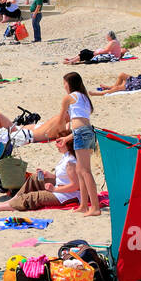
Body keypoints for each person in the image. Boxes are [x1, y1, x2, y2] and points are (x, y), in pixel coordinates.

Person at [0, 137, 80, 214]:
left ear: (67, 145)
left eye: (59, 142)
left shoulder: (71, 162)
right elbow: (65, 177)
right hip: (60, 187)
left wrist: (54, 190)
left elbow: (75, 186)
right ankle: (13, 201)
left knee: (32, 197)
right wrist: (49, 175)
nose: (56, 144)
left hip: (67, 195)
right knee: (34, 178)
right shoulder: (66, 156)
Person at [59, 72, 102, 216]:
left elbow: (61, 121)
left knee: (85, 171)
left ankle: (95, 207)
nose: (64, 86)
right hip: (87, 132)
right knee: (80, 170)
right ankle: (84, 205)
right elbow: (81, 123)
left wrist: (56, 133)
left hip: (82, 133)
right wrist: (67, 139)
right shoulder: (84, 97)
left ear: (69, 84)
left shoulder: (69, 98)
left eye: (64, 83)